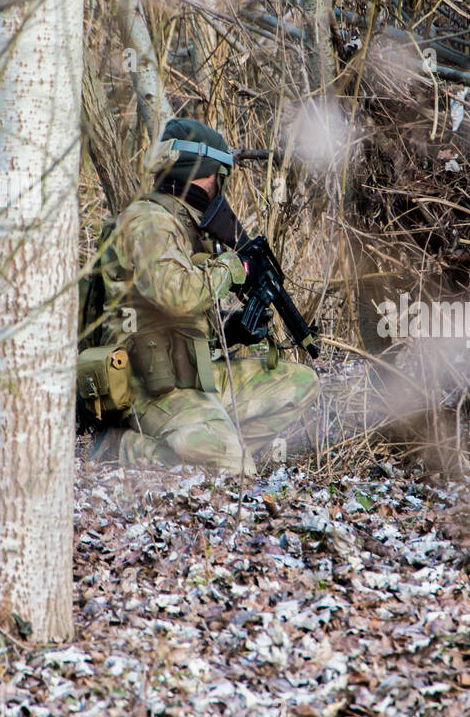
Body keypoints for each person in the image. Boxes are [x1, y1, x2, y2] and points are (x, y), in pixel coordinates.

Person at [85, 118, 319, 473]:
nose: (220, 186)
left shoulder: (185, 228)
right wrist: (234, 268)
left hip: (193, 377)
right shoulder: (148, 222)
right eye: (220, 176)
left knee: (301, 384)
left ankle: (201, 448)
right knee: (233, 466)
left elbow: (177, 321)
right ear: (207, 173)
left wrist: (230, 328)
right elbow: (176, 295)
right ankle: (123, 449)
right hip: (147, 388)